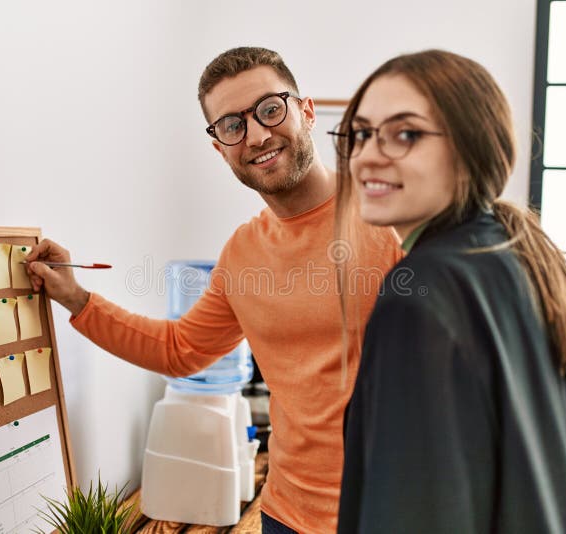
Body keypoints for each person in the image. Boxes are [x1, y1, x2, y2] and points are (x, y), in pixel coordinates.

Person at [25, 47, 402, 533]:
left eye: (270, 109)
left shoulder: (390, 216)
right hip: (287, 514)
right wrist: (76, 298)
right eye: (232, 125)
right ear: (220, 147)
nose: (257, 135)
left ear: (306, 112)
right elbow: (180, 350)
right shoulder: (244, 253)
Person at [332, 50, 566, 533]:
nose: (367, 155)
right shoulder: (507, 252)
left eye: (404, 134)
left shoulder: (419, 296)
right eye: (361, 133)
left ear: (470, 149)